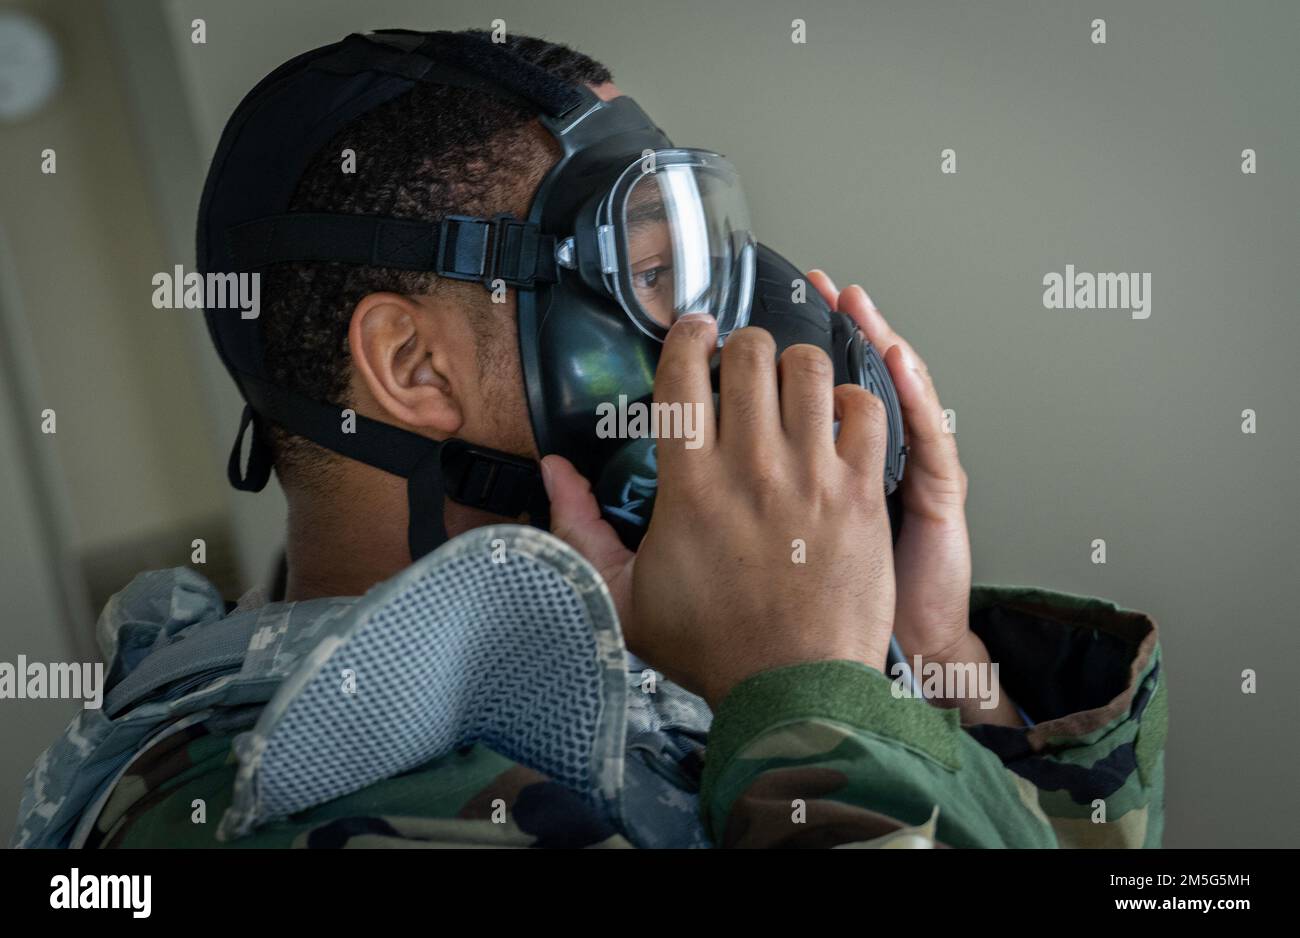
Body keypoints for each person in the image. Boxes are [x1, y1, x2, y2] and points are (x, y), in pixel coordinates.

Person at [12, 29, 1165, 849]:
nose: (717, 329)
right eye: (654, 274)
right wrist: (804, 696)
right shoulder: (267, 797)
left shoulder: (671, 664)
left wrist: (932, 652)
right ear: (413, 368)